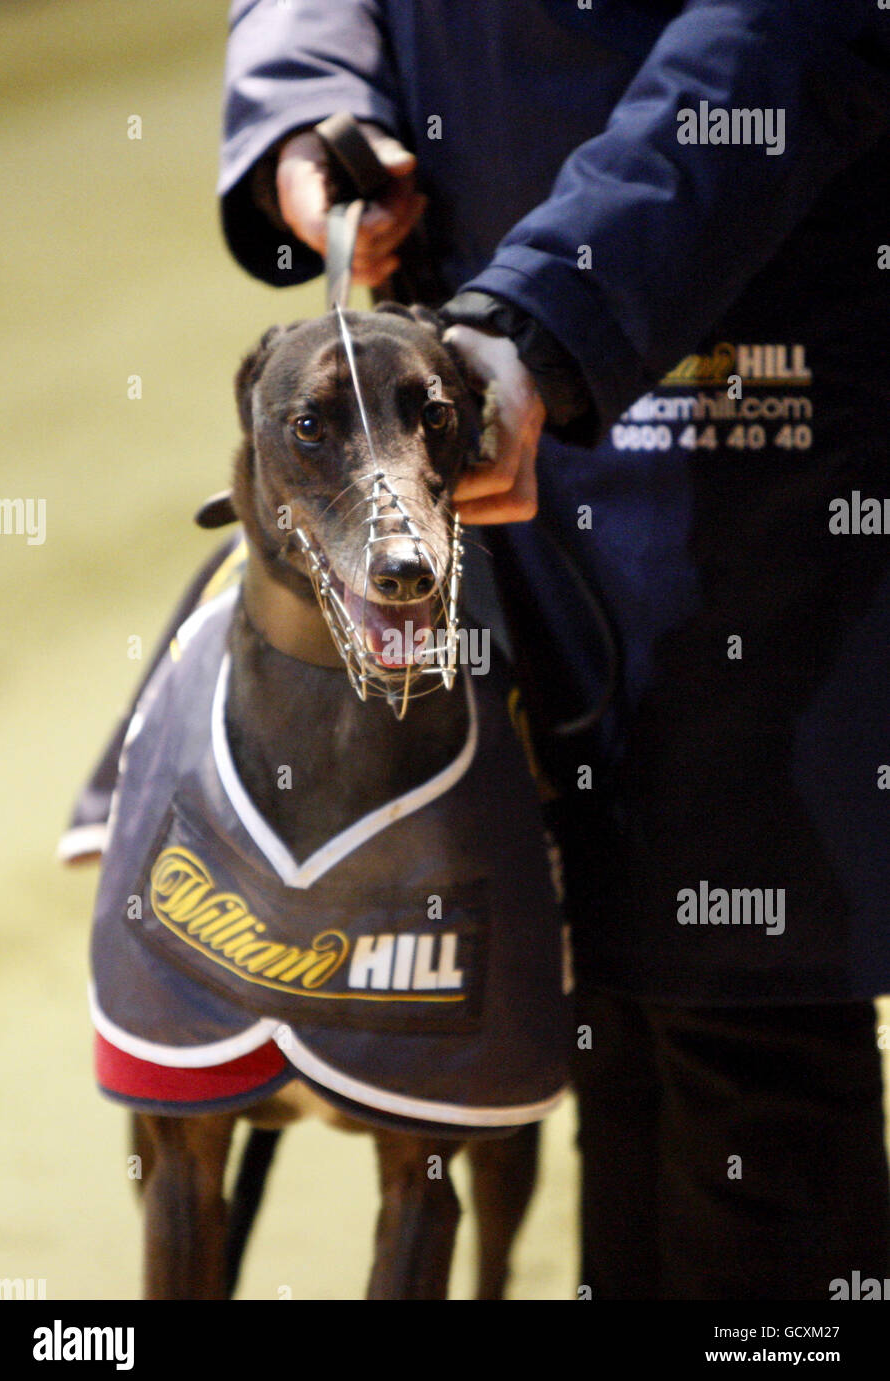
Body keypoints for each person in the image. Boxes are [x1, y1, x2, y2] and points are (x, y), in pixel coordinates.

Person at [217, 0, 890, 1298]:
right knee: (585, 1014)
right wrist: (306, 103)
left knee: (745, 1029)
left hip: (739, 389)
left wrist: (547, 313)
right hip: (472, 400)